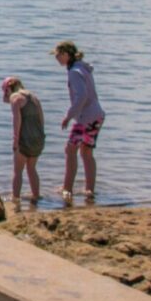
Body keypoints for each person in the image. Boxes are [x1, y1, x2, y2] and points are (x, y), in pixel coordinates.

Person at [53, 40, 105, 202]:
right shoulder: (82, 67)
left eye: (58, 55)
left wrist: (68, 116)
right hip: (97, 114)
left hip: (86, 117)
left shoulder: (74, 72)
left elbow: (81, 96)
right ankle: (89, 190)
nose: (56, 59)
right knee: (86, 152)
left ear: (66, 55)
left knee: (70, 150)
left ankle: (67, 188)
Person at [2, 76, 45, 202]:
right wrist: (41, 136)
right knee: (32, 169)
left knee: (18, 171)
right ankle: (36, 196)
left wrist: (15, 141)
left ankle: (15, 198)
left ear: (8, 89)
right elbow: (41, 119)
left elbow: (17, 121)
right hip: (38, 138)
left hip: (25, 139)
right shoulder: (33, 97)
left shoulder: (15, 98)